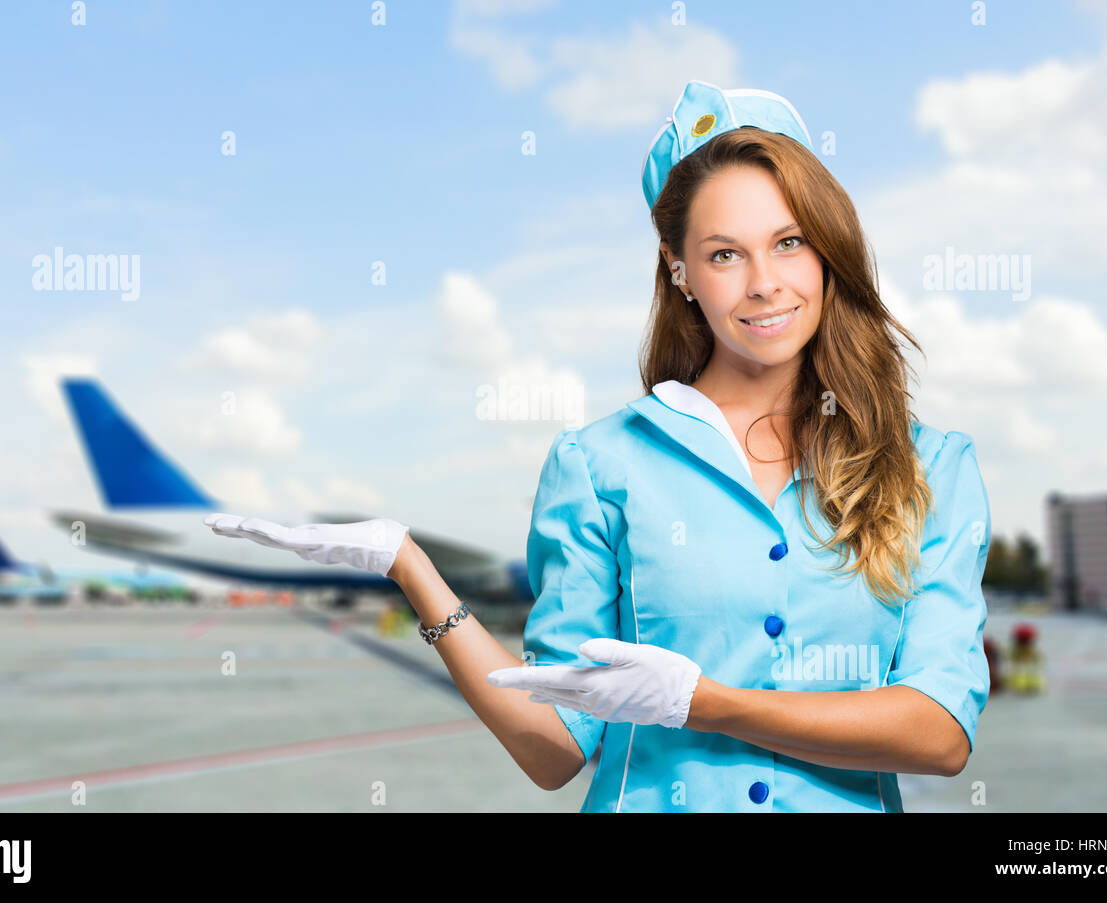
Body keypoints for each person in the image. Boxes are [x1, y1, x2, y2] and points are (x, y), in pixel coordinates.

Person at [202, 80, 992, 813]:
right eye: (724, 254)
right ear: (679, 271)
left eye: (789, 242)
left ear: (827, 249)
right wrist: (410, 566)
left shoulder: (932, 469)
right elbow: (556, 753)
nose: (764, 282)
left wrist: (704, 703)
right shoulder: (599, 464)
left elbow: (939, 733)